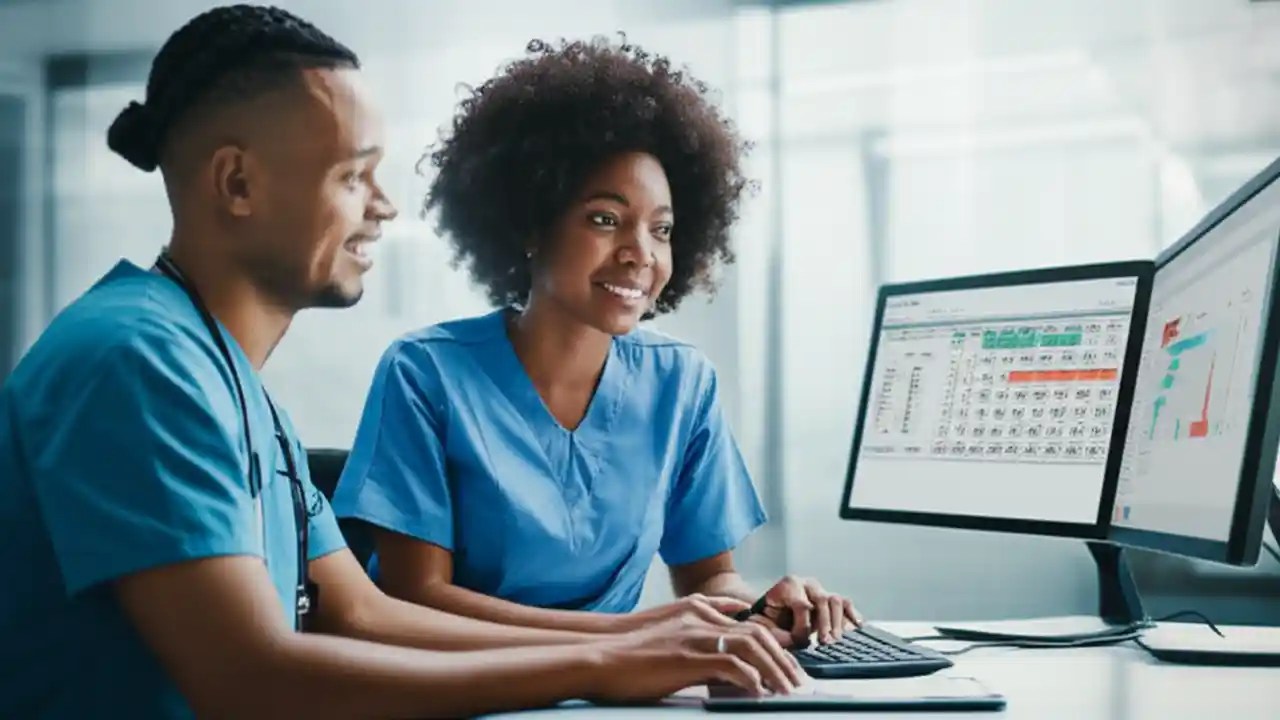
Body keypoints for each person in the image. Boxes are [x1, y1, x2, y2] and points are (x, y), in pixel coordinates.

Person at [0, 6, 804, 718]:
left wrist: (638, 641)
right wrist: (604, 660)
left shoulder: (234, 384)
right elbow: (248, 679)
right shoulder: (136, 362)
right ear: (237, 183)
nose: (384, 205)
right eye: (354, 176)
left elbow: (363, 613)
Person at [332, 36, 863, 650]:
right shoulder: (426, 373)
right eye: (605, 219)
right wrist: (627, 639)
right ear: (531, 223)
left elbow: (711, 580)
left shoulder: (681, 384)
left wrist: (771, 606)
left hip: (610, 695)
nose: (640, 252)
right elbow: (414, 597)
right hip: (451, 688)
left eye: (661, 229)